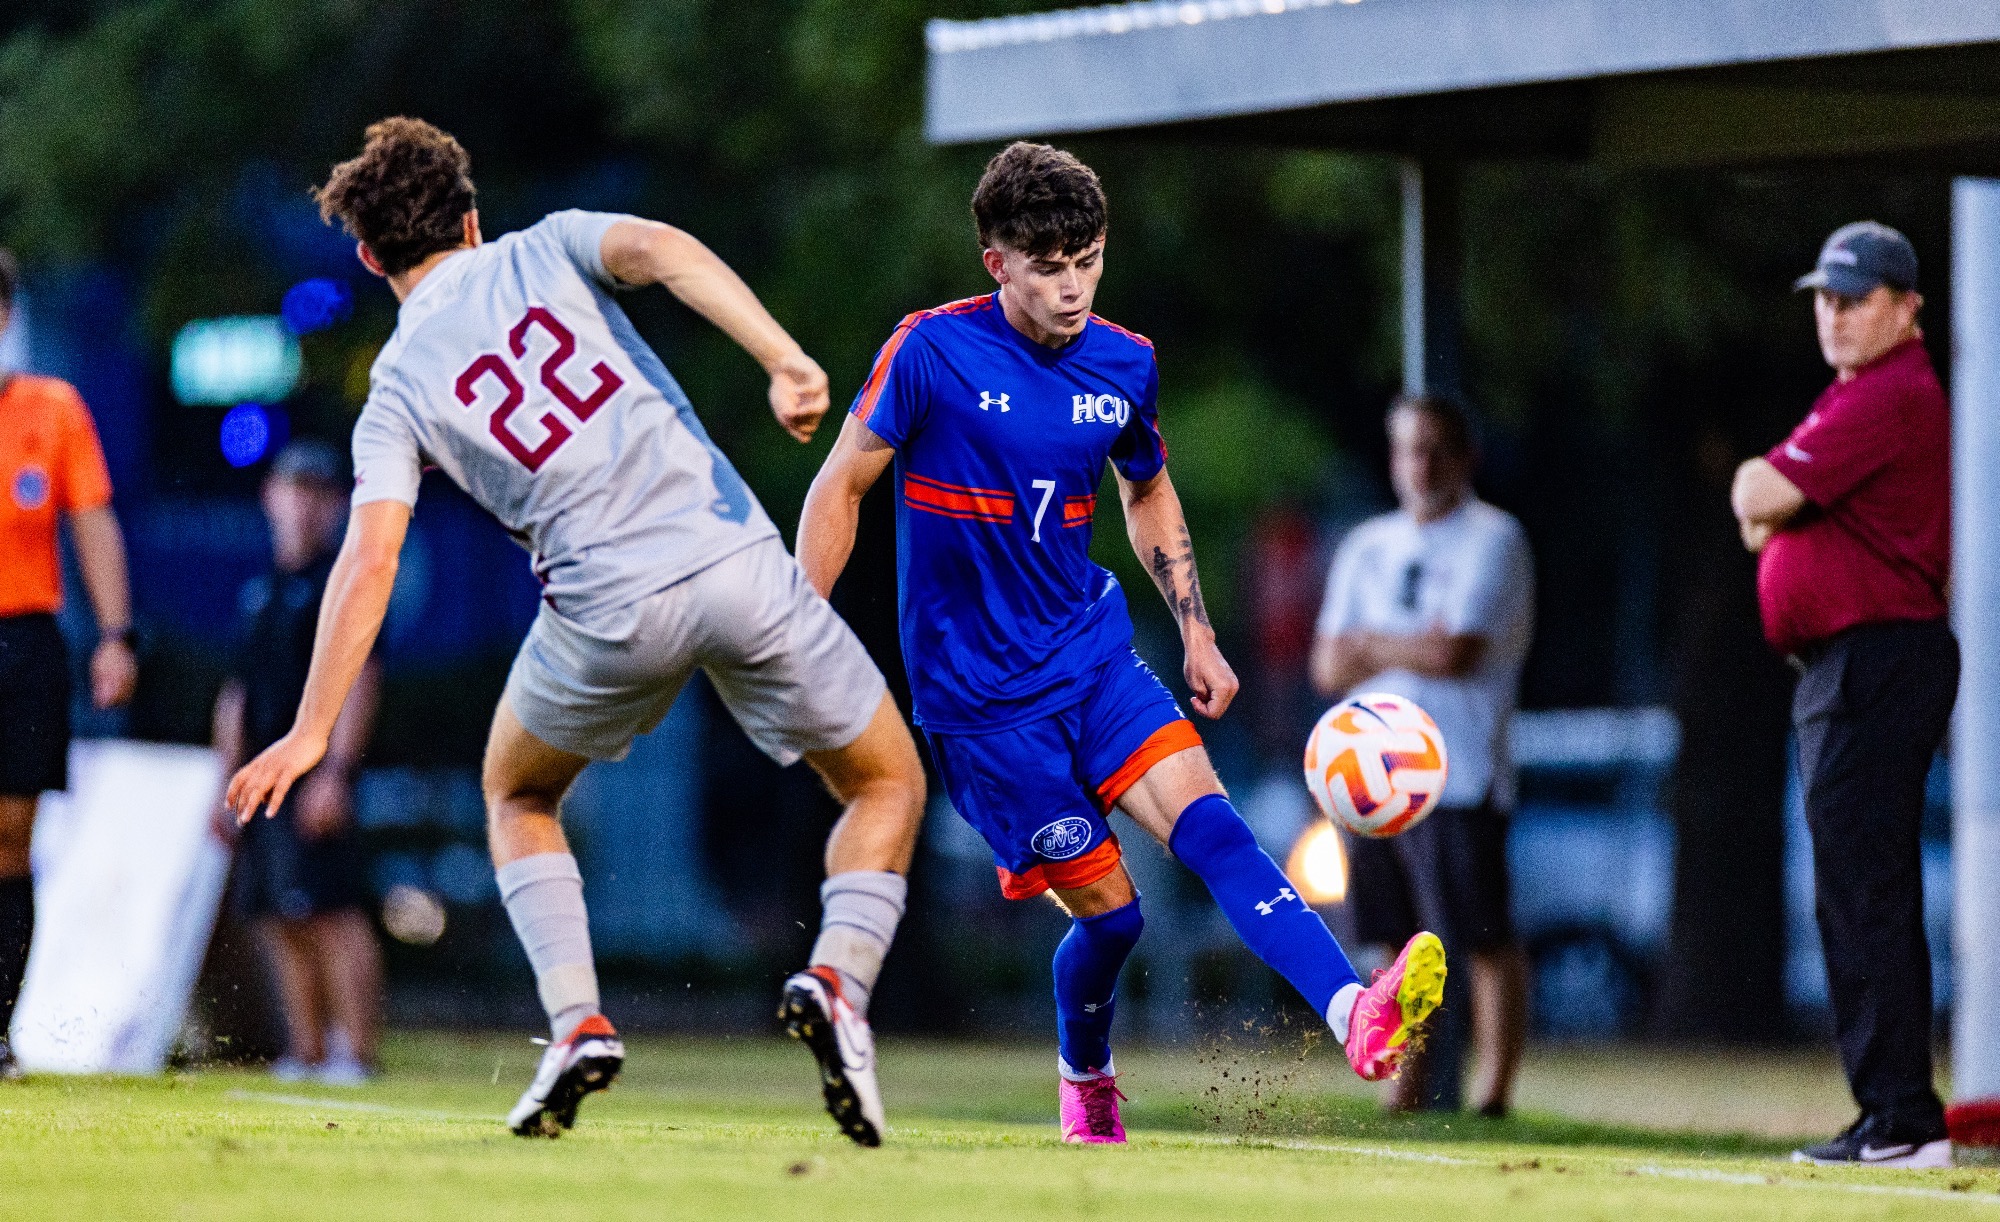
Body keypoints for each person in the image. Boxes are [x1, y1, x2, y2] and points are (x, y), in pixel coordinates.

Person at [225, 118, 926, 1144]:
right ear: (470, 215)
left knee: (516, 790)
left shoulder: (394, 392)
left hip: (605, 612)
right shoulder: (544, 244)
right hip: (732, 558)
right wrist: (782, 358)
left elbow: (367, 561)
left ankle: (577, 1022)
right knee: (886, 781)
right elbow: (661, 250)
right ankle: (836, 980)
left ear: (371, 257)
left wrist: (310, 727)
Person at [797, 141, 1445, 1145]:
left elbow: (1144, 485)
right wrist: (800, 627)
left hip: (1092, 655)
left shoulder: (1124, 360)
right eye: (1046, 264)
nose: (1070, 285)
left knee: (1216, 830)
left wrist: (1195, 628)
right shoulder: (928, 352)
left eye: (1086, 260)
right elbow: (842, 481)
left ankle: (1353, 1013)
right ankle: (1085, 1079)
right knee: (1113, 919)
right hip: (980, 703)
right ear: (994, 261)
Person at [1733, 221, 1954, 1170]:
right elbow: (1762, 512)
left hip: (1874, 659)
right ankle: (1891, 1112)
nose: (1833, 314)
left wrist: (1772, 498)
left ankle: (1902, 1116)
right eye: (1825, 297)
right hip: (1855, 662)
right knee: (1856, 890)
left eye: (1854, 298)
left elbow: (1758, 494)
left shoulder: (1889, 393)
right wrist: (1772, 505)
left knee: (1864, 891)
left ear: (1906, 310)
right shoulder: (1856, 394)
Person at [1309, 394, 1534, 1116]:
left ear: (1464, 457)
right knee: (1391, 942)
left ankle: (1492, 1091)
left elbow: (1454, 651)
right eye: (1409, 447)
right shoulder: (1367, 545)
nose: (1422, 463)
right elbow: (1326, 665)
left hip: (1459, 770)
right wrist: (1401, 647)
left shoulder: (1493, 538)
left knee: (1480, 934)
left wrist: (1372, 645)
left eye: (1436, 447)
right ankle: (1405, 1089)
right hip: (1370, 775)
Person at [0, 248, 138, 1078]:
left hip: (24, 640)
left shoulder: (52, 410)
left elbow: (92, 521)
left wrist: (117, 635)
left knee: (11, 839)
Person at [212, 441, 383, 1085]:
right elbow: (237, 693)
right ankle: (306, 1048)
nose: (303, 507)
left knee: (331, 909)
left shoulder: (343, 583)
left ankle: (352, 1051)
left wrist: (336, 773)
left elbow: (364, 677)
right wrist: (224, 783)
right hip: (263, 776)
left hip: (312, 772)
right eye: (293, 490)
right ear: (269, 497)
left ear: (338, 506)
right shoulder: (262, 592)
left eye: (317, 494)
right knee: (277, 913)